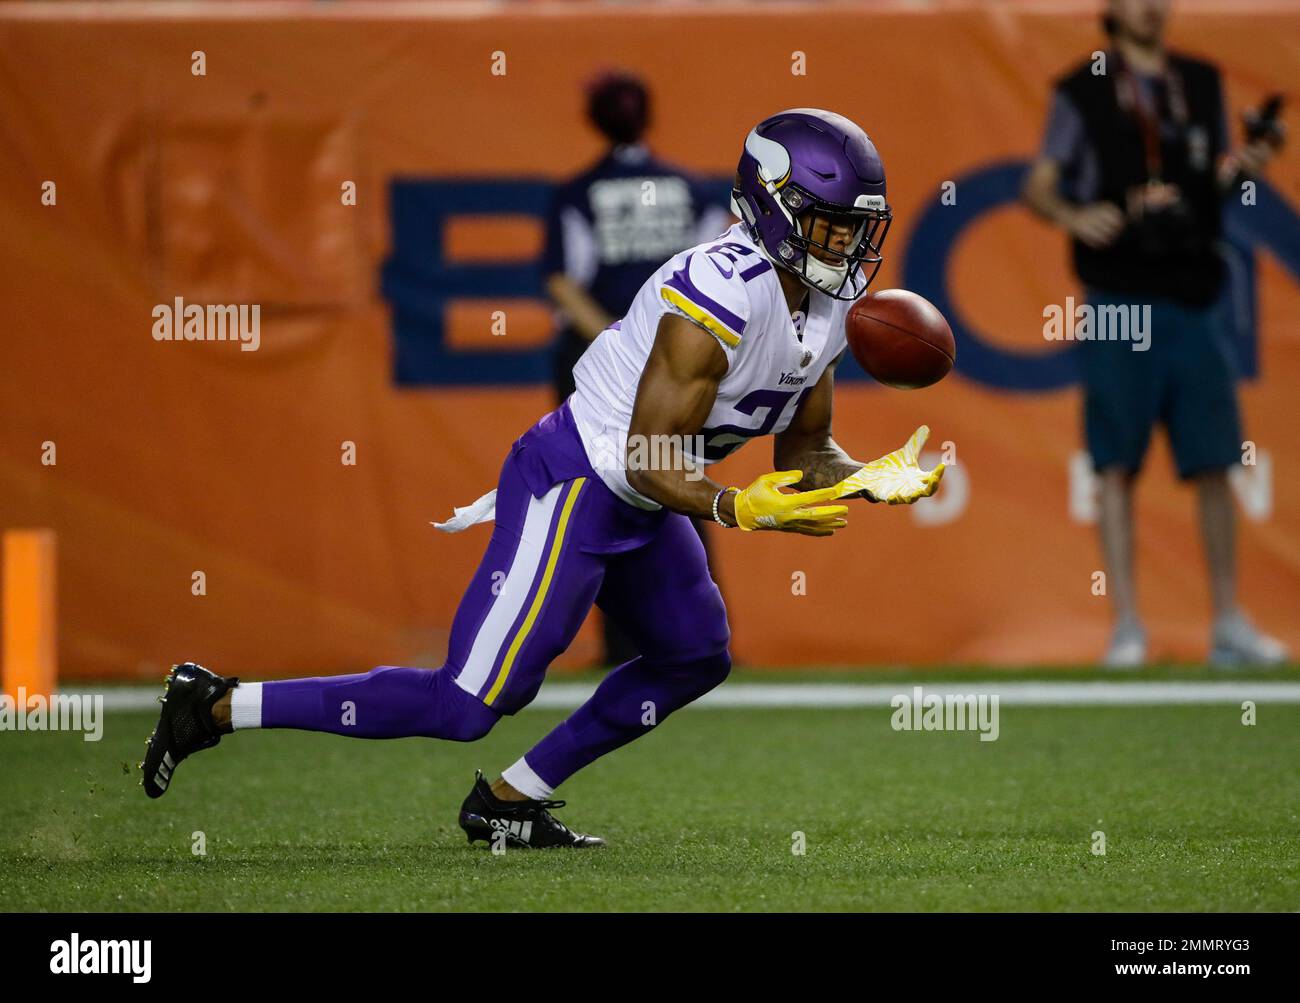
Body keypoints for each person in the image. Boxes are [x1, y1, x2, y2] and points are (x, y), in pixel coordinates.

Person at [140, 109, 942, 848]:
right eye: (830, 226)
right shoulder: (718, 296)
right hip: (581, 479)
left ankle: (510, 802)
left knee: (694, 654)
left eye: (855, 230)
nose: (844, 247)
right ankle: (213, 702)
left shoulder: (834, 306)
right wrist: (733, 506)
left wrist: (867, 478)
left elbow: (805, 449)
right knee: (465, 705)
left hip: (646, 494)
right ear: (772, 206)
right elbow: (646, 454)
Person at [1021, 0, 1287, 668]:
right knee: (1115, 463)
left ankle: (1228, 619)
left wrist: (1247, 164)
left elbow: (1207, 185)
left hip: (1192, 295)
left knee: (1216, 460)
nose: (1149, 8)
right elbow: (1040, 186)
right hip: (1118, 297)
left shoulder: (1197, 81)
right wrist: (1078, 216)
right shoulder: (1082, 88)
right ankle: (1128, 625)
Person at [542, 71, 732, 667]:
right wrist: (658, 348)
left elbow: (562, 282)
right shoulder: (694, 189)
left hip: (602, 364)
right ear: (649, 115)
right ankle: (698, 638)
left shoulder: (578, 193)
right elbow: (718, 271)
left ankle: (623, 646)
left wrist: (615, 343)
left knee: (601, 497)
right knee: (681, 487)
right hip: (682, 357)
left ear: (593, 119)